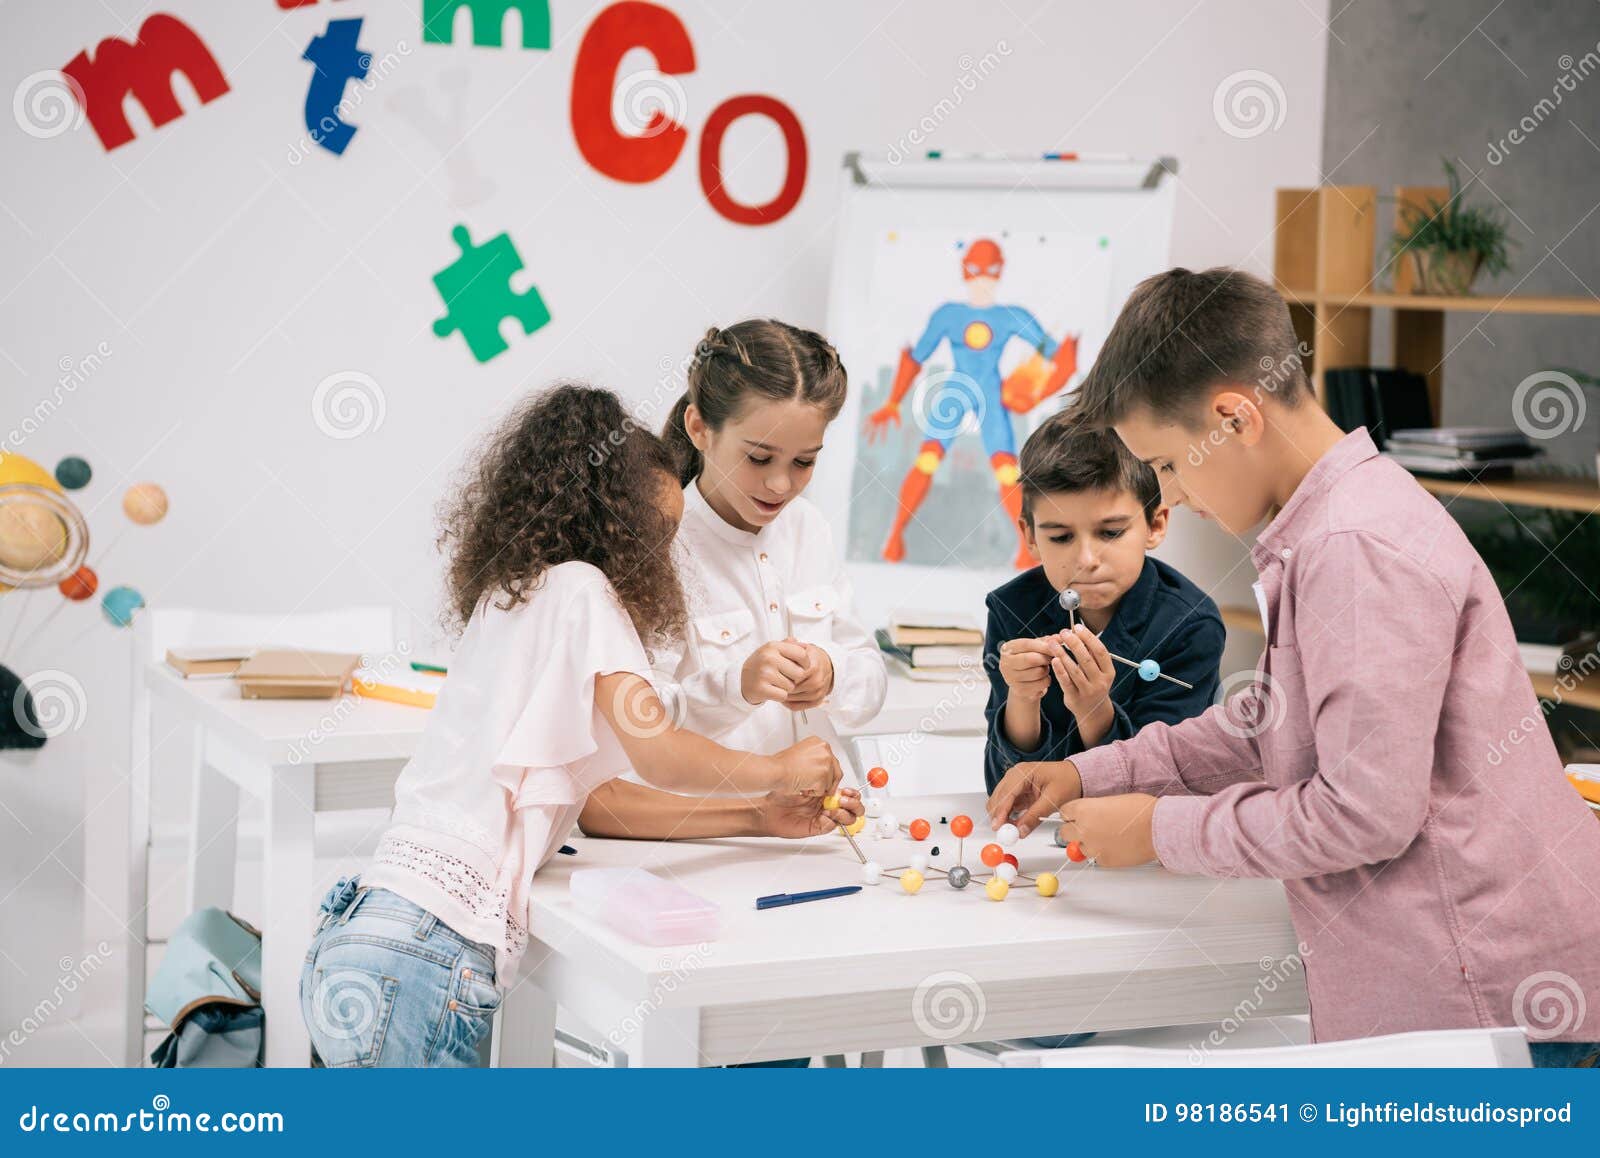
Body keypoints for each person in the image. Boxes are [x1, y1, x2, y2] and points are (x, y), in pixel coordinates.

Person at [989, 267, 1600, 1064]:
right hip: (1463, 989)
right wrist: (1092, 773)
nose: (1173, 494)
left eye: (1169, 466)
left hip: (1488, 1001)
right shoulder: (1330, 528)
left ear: (1235, 418)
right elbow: (1264, 729)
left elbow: (1364, 813)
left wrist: (1158, 829)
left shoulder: (1354, 550)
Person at [300, 384, 853, 1067]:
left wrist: (759, 816)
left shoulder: (517, 594)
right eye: (658, 536)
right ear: (615, 526)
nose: (665, 561)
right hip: (422, 955)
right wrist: (778, 770)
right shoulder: (583, 592)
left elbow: (607, 801)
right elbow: (660, 755)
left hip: (370, 934)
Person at [985, 415, 1223, 795]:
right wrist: (1022, 699)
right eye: (1061, 537)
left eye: (1111, 533)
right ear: (1030, 537)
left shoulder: (1190, 625)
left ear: (1156, 525)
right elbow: (1006, 786)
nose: (1087, 559)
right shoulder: (1012, 608)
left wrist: (1095, 709)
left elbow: (1161, 792)